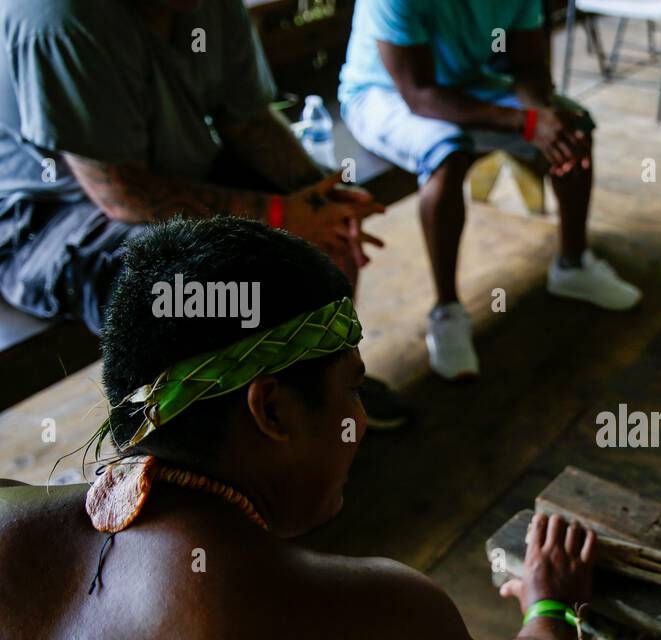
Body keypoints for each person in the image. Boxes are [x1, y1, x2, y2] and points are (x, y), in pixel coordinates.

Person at [0, 217, 596, 640]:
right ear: (273, 409)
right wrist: (551, 607)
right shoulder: (366, 620)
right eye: (353, 390)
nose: (359, 424)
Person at [0, 0, 407, 427]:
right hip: (49, 216)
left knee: (324, 233)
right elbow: (120, 191)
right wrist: (279, 211)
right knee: (195, 289)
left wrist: (319, 199)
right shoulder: (58, 17)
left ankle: (325, 395)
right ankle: (198, 452)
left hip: (170, 167)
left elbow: (248, 122)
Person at [338, 0, 643, 381]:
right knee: (449, 154)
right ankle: (447, 312)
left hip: (465, 84)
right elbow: (419, 93)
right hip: (384, 94)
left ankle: (573, 265)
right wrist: (523, 121)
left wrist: (540, 117)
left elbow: (528, 66)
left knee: (574, 126)